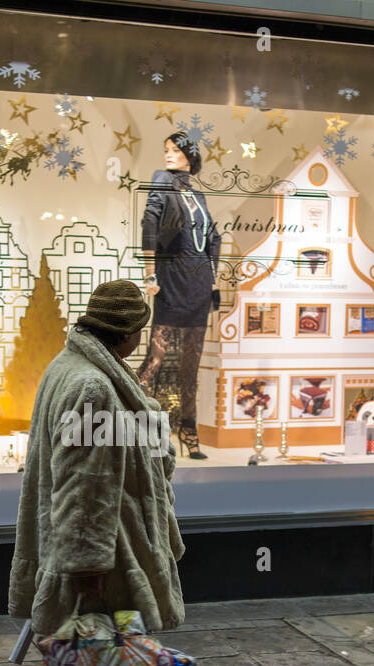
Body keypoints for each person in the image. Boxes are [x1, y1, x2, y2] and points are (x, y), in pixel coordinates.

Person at [9, 280, 192, 666]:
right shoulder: (92, 386)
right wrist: (85, 565)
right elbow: (84, 485)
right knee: (83, 650)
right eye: (140, 331)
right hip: (104, 549)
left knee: (124, 641)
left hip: (112, 542)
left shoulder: (68, 366)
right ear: (130, 335)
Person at [138, 132, 221, 460]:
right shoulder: (162, 180)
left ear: (190, 154)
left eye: (175, 150)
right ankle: (139, 428)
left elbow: (211, 238)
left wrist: (213, 280)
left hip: (199, 283)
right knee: (155, 359)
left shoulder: (197, 194)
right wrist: (150, 271)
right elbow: (149, 223)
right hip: (172, 279)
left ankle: (189, 429)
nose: (168, 155)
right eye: (166, 149)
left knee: (192, 363)